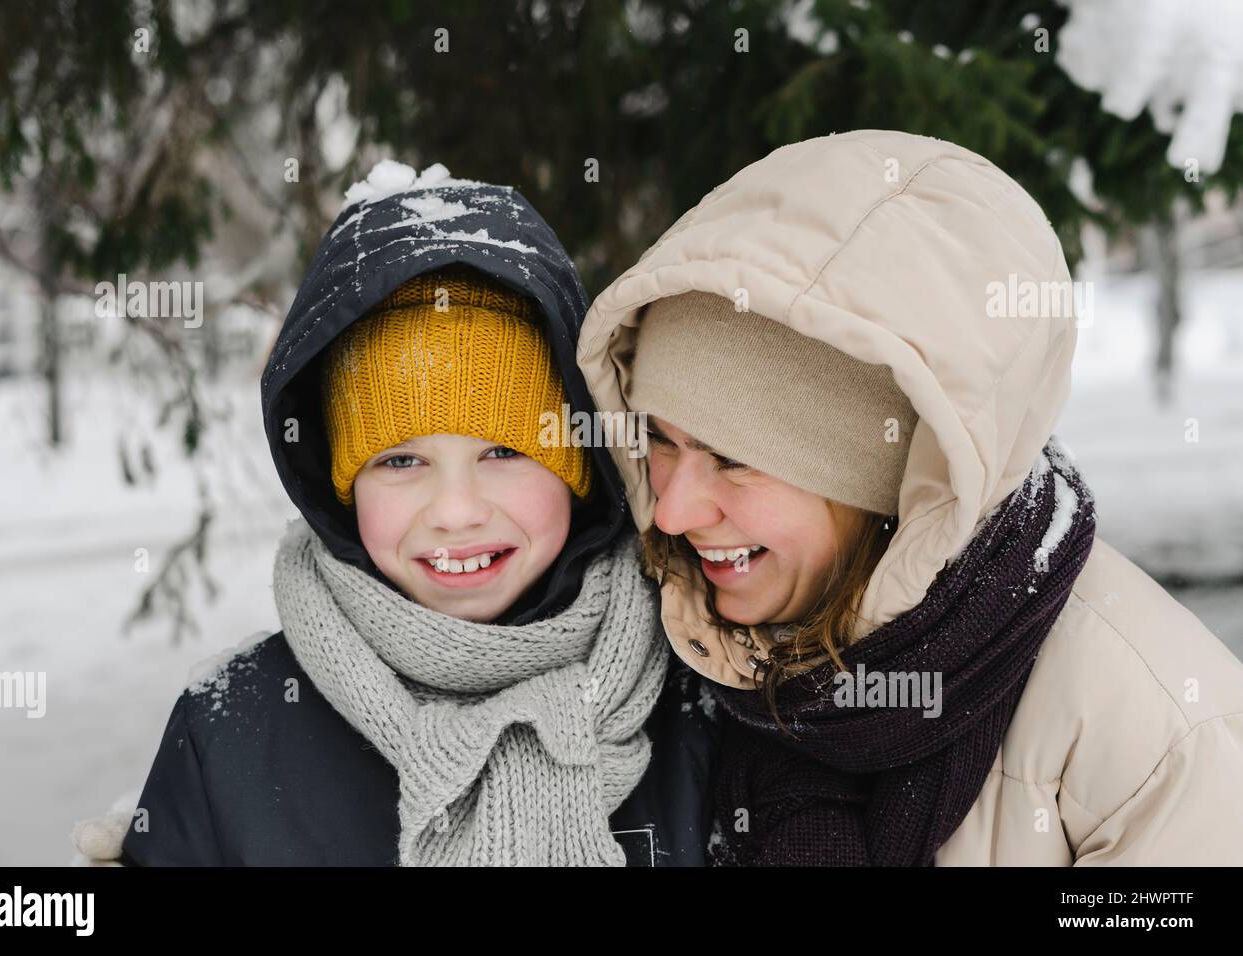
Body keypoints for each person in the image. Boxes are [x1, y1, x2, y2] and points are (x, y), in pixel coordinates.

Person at [576, 129, 1243, 865]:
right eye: (660, 442)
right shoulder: (668, 660)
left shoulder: (1160, 742)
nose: (671, 512)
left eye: (733, 460)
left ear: (889, 483)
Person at [81, 165, 716, 866]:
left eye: (504, 451)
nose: (455, 511)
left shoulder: (701, 698)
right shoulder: (233, 731)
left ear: (581, 465)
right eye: (400, 462)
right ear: (340, 486)